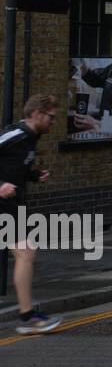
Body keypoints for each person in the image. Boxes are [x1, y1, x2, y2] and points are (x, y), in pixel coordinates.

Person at [0, 95, 62, 334]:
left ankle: (28, 316)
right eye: (51, 117)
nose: (53, 122)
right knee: (26, 253)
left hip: (10, 205)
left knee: (26, 253)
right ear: (36, 114)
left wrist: (33, 176)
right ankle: (28, 317)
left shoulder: (31, 137)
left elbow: (14, 166)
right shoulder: (15, 135)